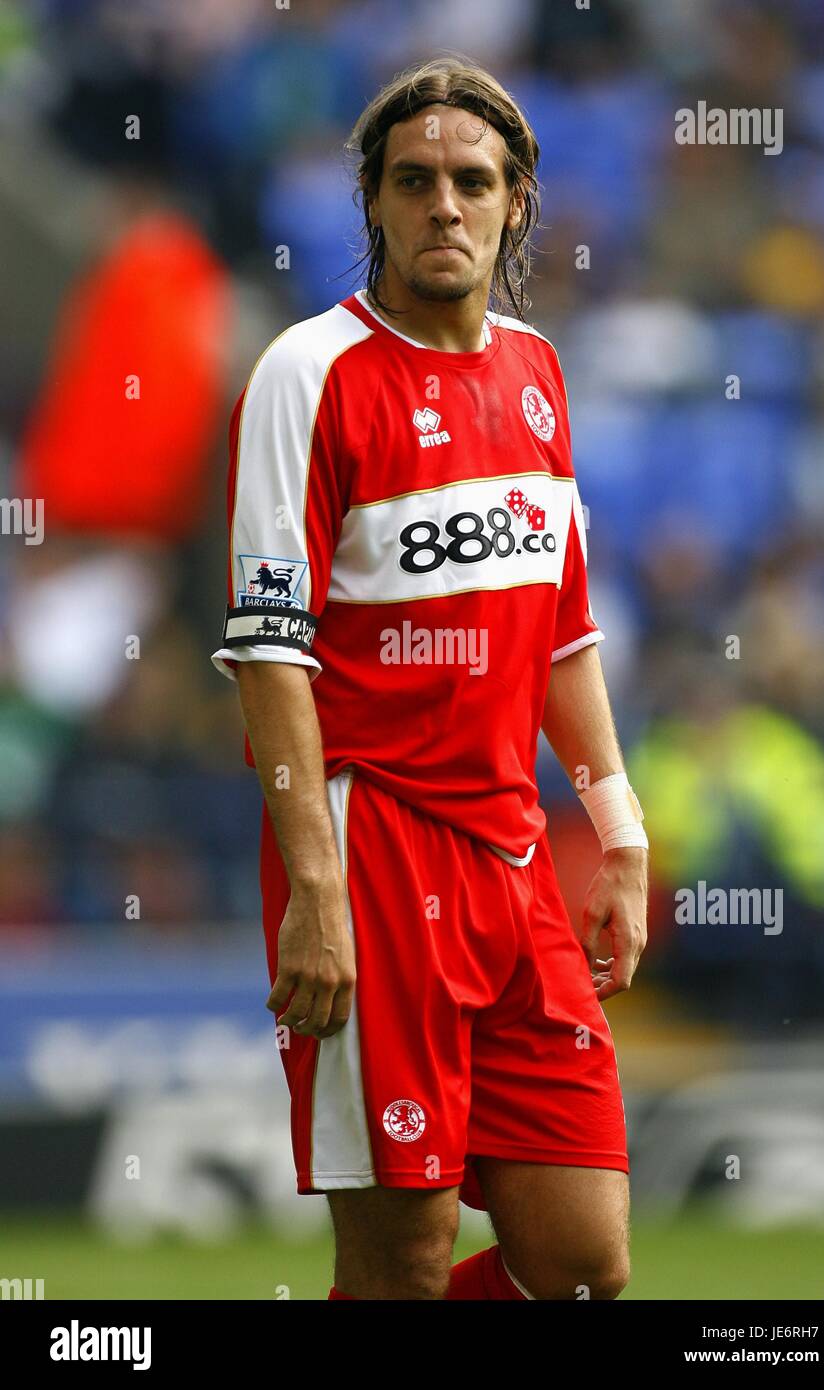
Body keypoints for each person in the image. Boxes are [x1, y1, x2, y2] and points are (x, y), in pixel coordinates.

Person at [211, 56, 648, 1301]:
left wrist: (613, 827)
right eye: (413, 182)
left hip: (512, 859)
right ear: (373, 205)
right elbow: (268, 651)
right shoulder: (310, 371)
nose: (442, 206)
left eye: (471, 180)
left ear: (515, 202)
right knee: (400, 1257)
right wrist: (313, 885)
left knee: (578, 1263)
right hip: (372, 846)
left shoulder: (538, 373)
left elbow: (562, 632)